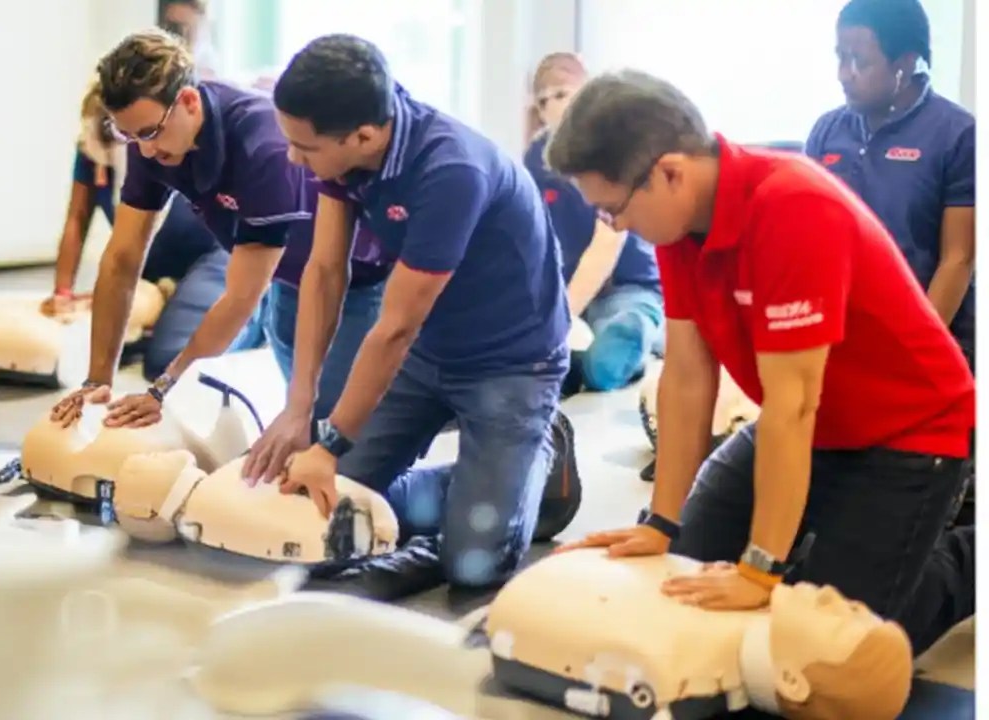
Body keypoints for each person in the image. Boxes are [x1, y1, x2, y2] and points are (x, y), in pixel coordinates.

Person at [548, 68, 975, 658]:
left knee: (822, 646)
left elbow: (794, 406)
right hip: (808, 421)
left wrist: (759, 568)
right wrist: (661, 523)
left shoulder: (792, 205)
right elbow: (688, 375)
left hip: (906, 432)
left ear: (669, 173)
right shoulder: (678, 225)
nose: (615, 225)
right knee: (682, 573)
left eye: (612, 208)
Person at [259, 34, 582, 593]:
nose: (293, 157)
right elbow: (326, 271)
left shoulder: (450, 170)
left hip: (512, 364)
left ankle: (539, 463)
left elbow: (395, 329)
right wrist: (299, 406)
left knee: (473, 564)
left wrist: (329, 445)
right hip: (429, 350)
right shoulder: (348, 145)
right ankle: (480, 487)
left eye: (304, 147)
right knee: (324, 513)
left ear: (363, 136)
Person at [49, 28, 389, 430]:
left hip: (354, 278)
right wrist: (97, 380)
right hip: (284, 277)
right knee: (304, 418)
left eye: (150, 133)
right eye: (129, 135)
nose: (144, 149)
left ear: (189, 102)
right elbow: (122, 257)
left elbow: (241, 295)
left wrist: (161, 389)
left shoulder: (260, 144)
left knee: (338, 428)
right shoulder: (150, 140)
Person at [45, 81, 263, 380]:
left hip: (212, 255)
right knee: (117, 335)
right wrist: (63, 291)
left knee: (169, 362)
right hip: (156, 266)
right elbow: (77, 219)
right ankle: (171, 306)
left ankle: (259, 320)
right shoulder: (92, 151)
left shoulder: (157, 148)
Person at [805, 0, 975, 371]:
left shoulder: (959, 135)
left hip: (929, 340)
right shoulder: (828, 131)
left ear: (906, 63)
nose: (844, 74)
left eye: (860, 62)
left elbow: (958, 259)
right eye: (840, 57)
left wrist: (911, 351)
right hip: (846, 335)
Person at [525, 52, 663, 393]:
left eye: (561, 94)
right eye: (543, 101)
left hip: (624, 288)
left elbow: (606, 245)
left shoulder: (614, 150)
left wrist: (561, 320)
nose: (552, 106)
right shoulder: (535, 159)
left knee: (612, 349)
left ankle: (639, 342)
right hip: (566, 289)